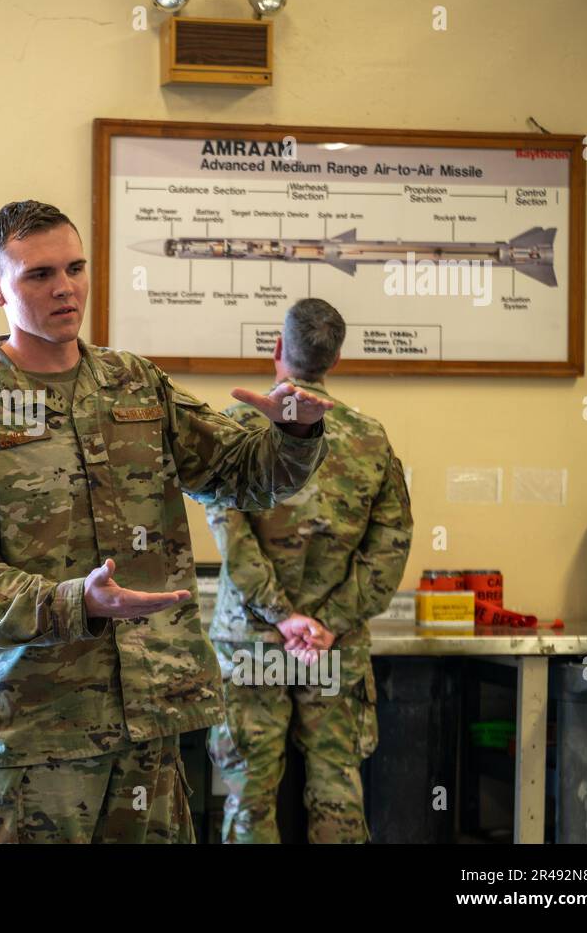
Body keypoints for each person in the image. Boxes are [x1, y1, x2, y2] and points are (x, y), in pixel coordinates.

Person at [0, 200, 333, 843]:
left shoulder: (133, 383)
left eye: (75, 268)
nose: (65, 288)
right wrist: (74, 602)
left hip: (150, 721)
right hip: (36, 727)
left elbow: (242, 476)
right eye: (39, 275)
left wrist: (296, 434)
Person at [205, 297, 412, 843]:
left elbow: (232, 539)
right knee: (337, 792)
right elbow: (392, 540)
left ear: (278, 350)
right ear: (336, 358)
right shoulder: (369, 438)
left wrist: (279, 614)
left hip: (253, 644)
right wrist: (330, 621)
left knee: (248, 798)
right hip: (332, 646)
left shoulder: (239, 427)